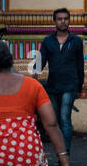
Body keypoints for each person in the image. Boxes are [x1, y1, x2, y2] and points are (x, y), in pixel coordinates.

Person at [32, 8, 84, 153]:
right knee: (54, 121)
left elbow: (80, 65)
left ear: (69, 21)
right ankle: (59, 150)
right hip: (53, 86)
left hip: (70, 85)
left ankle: (65, 152)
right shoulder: (48, 41)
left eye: (65, 18)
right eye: (60, 19)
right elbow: (41, 59)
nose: (63, 21)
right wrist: (36, 71)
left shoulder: (76, 41)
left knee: (64, 118)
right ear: (54, 21)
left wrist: (80, 87)